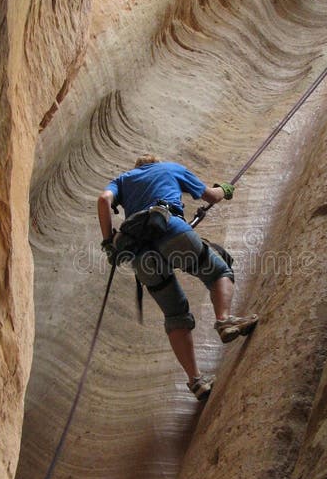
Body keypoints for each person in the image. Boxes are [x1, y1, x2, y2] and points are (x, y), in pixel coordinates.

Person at [97, 154, 258, 401]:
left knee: (174, 314)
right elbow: (211, 195)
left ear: (137, 167)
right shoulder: (171, 168)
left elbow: (103, 199)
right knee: (218, 272)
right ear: (155, 163)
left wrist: (109, 242)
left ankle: (196, 381)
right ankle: (224, 321)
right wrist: (224, 190)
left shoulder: (122, 181)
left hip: (141, 255)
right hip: (173, 231)